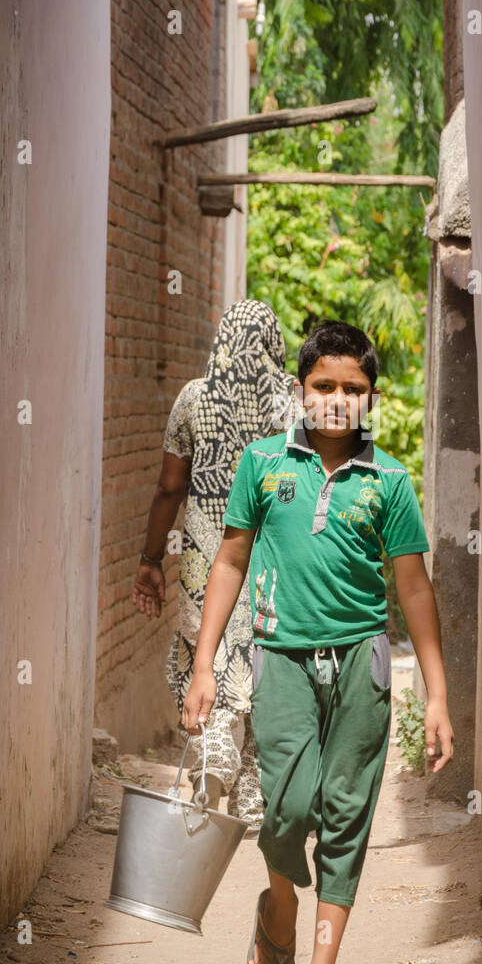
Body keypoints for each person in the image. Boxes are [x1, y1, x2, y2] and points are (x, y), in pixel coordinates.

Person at [180, 319, 454, 964]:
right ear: (299, 391)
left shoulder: (389, 481)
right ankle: (279, 905)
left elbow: (413, 589)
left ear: (371, 398)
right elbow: (231, 560)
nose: (336, 399)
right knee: (288, 807)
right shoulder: (263, 463)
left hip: (361, 666)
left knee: (345, 817)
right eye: (322, 386)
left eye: (352, 389)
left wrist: (436, 697)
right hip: (281, 660)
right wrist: (204, 663)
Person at [132, 298, 294, 827]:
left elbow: (169, 487)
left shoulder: (194, 399)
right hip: (273, 556)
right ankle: (253, 791)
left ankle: (210, 770)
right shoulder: (291, 405)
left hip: (206, 558)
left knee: (210, 658)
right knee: (261, 658)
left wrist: (150, 558)